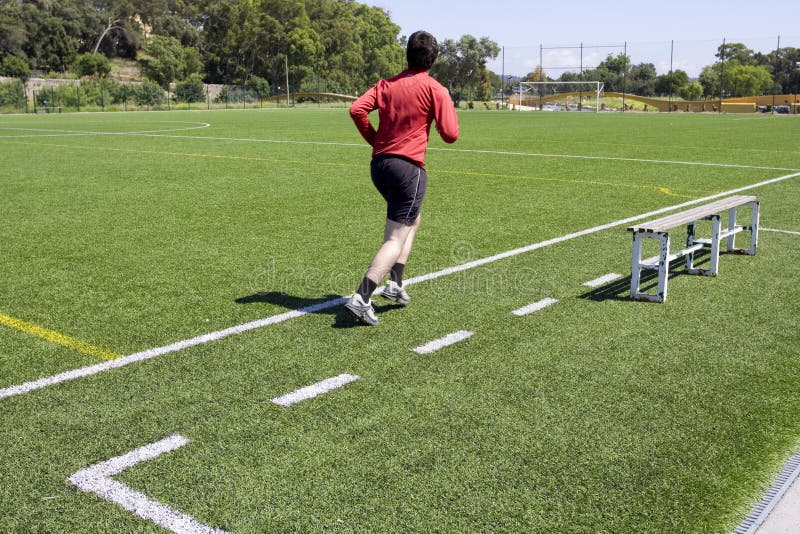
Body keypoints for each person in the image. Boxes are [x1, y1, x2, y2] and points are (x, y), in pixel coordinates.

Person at [345, 30, 459, 325]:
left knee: (412, 219)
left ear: (407, 54)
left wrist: (376, 140)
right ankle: (363, 296)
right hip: (409, 169)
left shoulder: (386, 85)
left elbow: (357, 109)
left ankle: (395, 285)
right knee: (396, 235)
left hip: (379, 166)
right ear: (433, 59)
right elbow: (450, 135)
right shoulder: (435, 88)